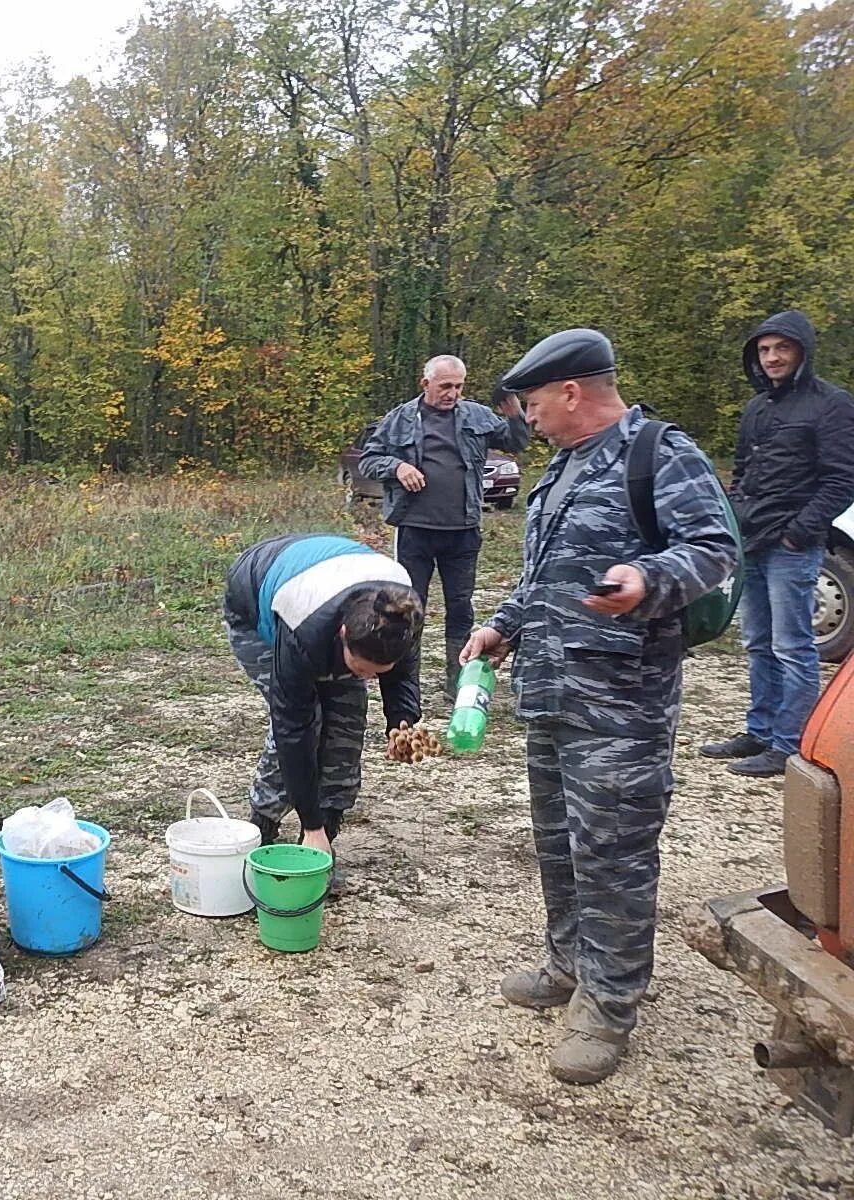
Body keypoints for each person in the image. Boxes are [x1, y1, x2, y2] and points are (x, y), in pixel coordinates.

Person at [460, 328, 736, 1085]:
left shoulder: (660, 453)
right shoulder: (560, 469)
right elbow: (543, 573)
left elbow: (714, 548)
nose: (528, 417)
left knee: (613, 855)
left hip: (622, 706)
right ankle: (567, 964)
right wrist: (503, 627)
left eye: (533, 403)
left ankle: (610, 1005)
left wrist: (649, 579)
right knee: (559, 844)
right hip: (551, 693)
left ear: (573, 392)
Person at [701, 311, 854, 777]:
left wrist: (798, 532)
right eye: (764, 349)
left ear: (802, 350)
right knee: (758, 643)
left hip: (793, 545)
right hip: (752, 542)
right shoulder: (757, 408)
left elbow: (842, 480)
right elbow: (743, 472)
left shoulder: (832, 404)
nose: (772, 357)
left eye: (781, 348)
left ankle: (789, 744)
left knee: (793, 646)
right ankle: (760, 730)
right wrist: (734, 522)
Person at [222, 534, 424, 866]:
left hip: (330, 580)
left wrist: (401, 721)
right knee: (310, 720)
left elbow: (403, 672)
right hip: (256, 600)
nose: (367, 679)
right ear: (343, 635)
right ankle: (263, 824)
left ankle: (324, 837)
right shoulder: (304, 630)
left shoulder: (404, 617)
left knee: (347, 723)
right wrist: (309, 822)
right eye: (361, 669)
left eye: (377, 673)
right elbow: (292, 728)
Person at [357, 355, 530, 708]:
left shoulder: (477, 415)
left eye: (458, 387)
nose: (453, 393)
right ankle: (406, 686)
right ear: (426, 384)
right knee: (408, 607)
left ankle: (457, 681)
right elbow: (369, 459)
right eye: (446, 386)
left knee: (461, 607)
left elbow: (516, 441)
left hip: (463, 531)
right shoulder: (399, 418)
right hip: (414, 529)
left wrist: (513, 410)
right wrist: (397, 466)